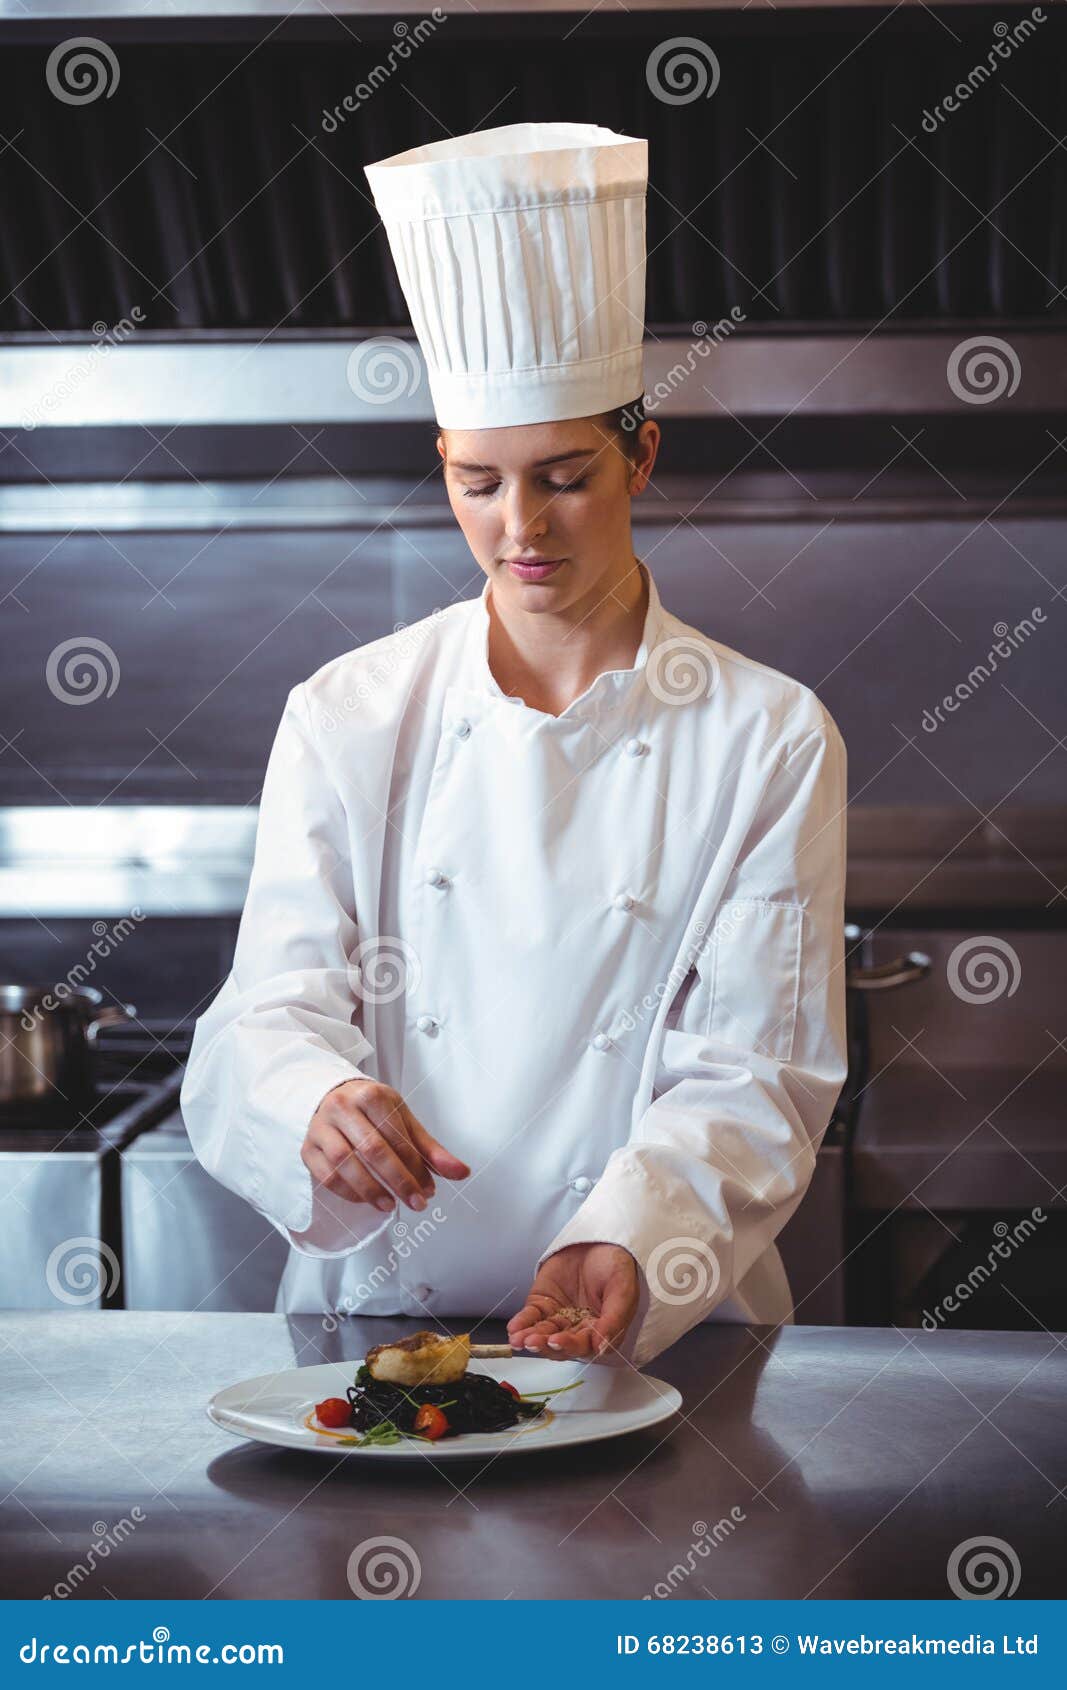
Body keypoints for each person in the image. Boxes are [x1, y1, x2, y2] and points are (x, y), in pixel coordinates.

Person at [180, 122, 847, 1371]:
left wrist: (629, 1239)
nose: (517, 528)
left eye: (562, 476)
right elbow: (259, 1016)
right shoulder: (348, 711)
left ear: (641, 453)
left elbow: (753, 1078)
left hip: (658, 1334)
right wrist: (308, 1104)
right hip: (374, 1323)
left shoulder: (766, 734)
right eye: (476, 481)